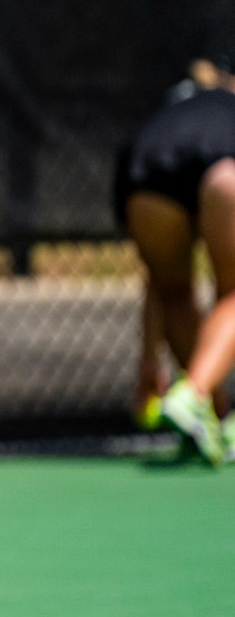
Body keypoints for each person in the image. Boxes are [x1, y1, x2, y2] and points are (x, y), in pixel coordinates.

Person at [116, 56, 235, 467]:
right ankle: (198, 394)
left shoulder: (168, 115)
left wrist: (149, 361)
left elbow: (157, 285)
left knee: (176, 292)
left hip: (147, 173)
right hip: (225, 170)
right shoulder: (227, 111)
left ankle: (213, 419)